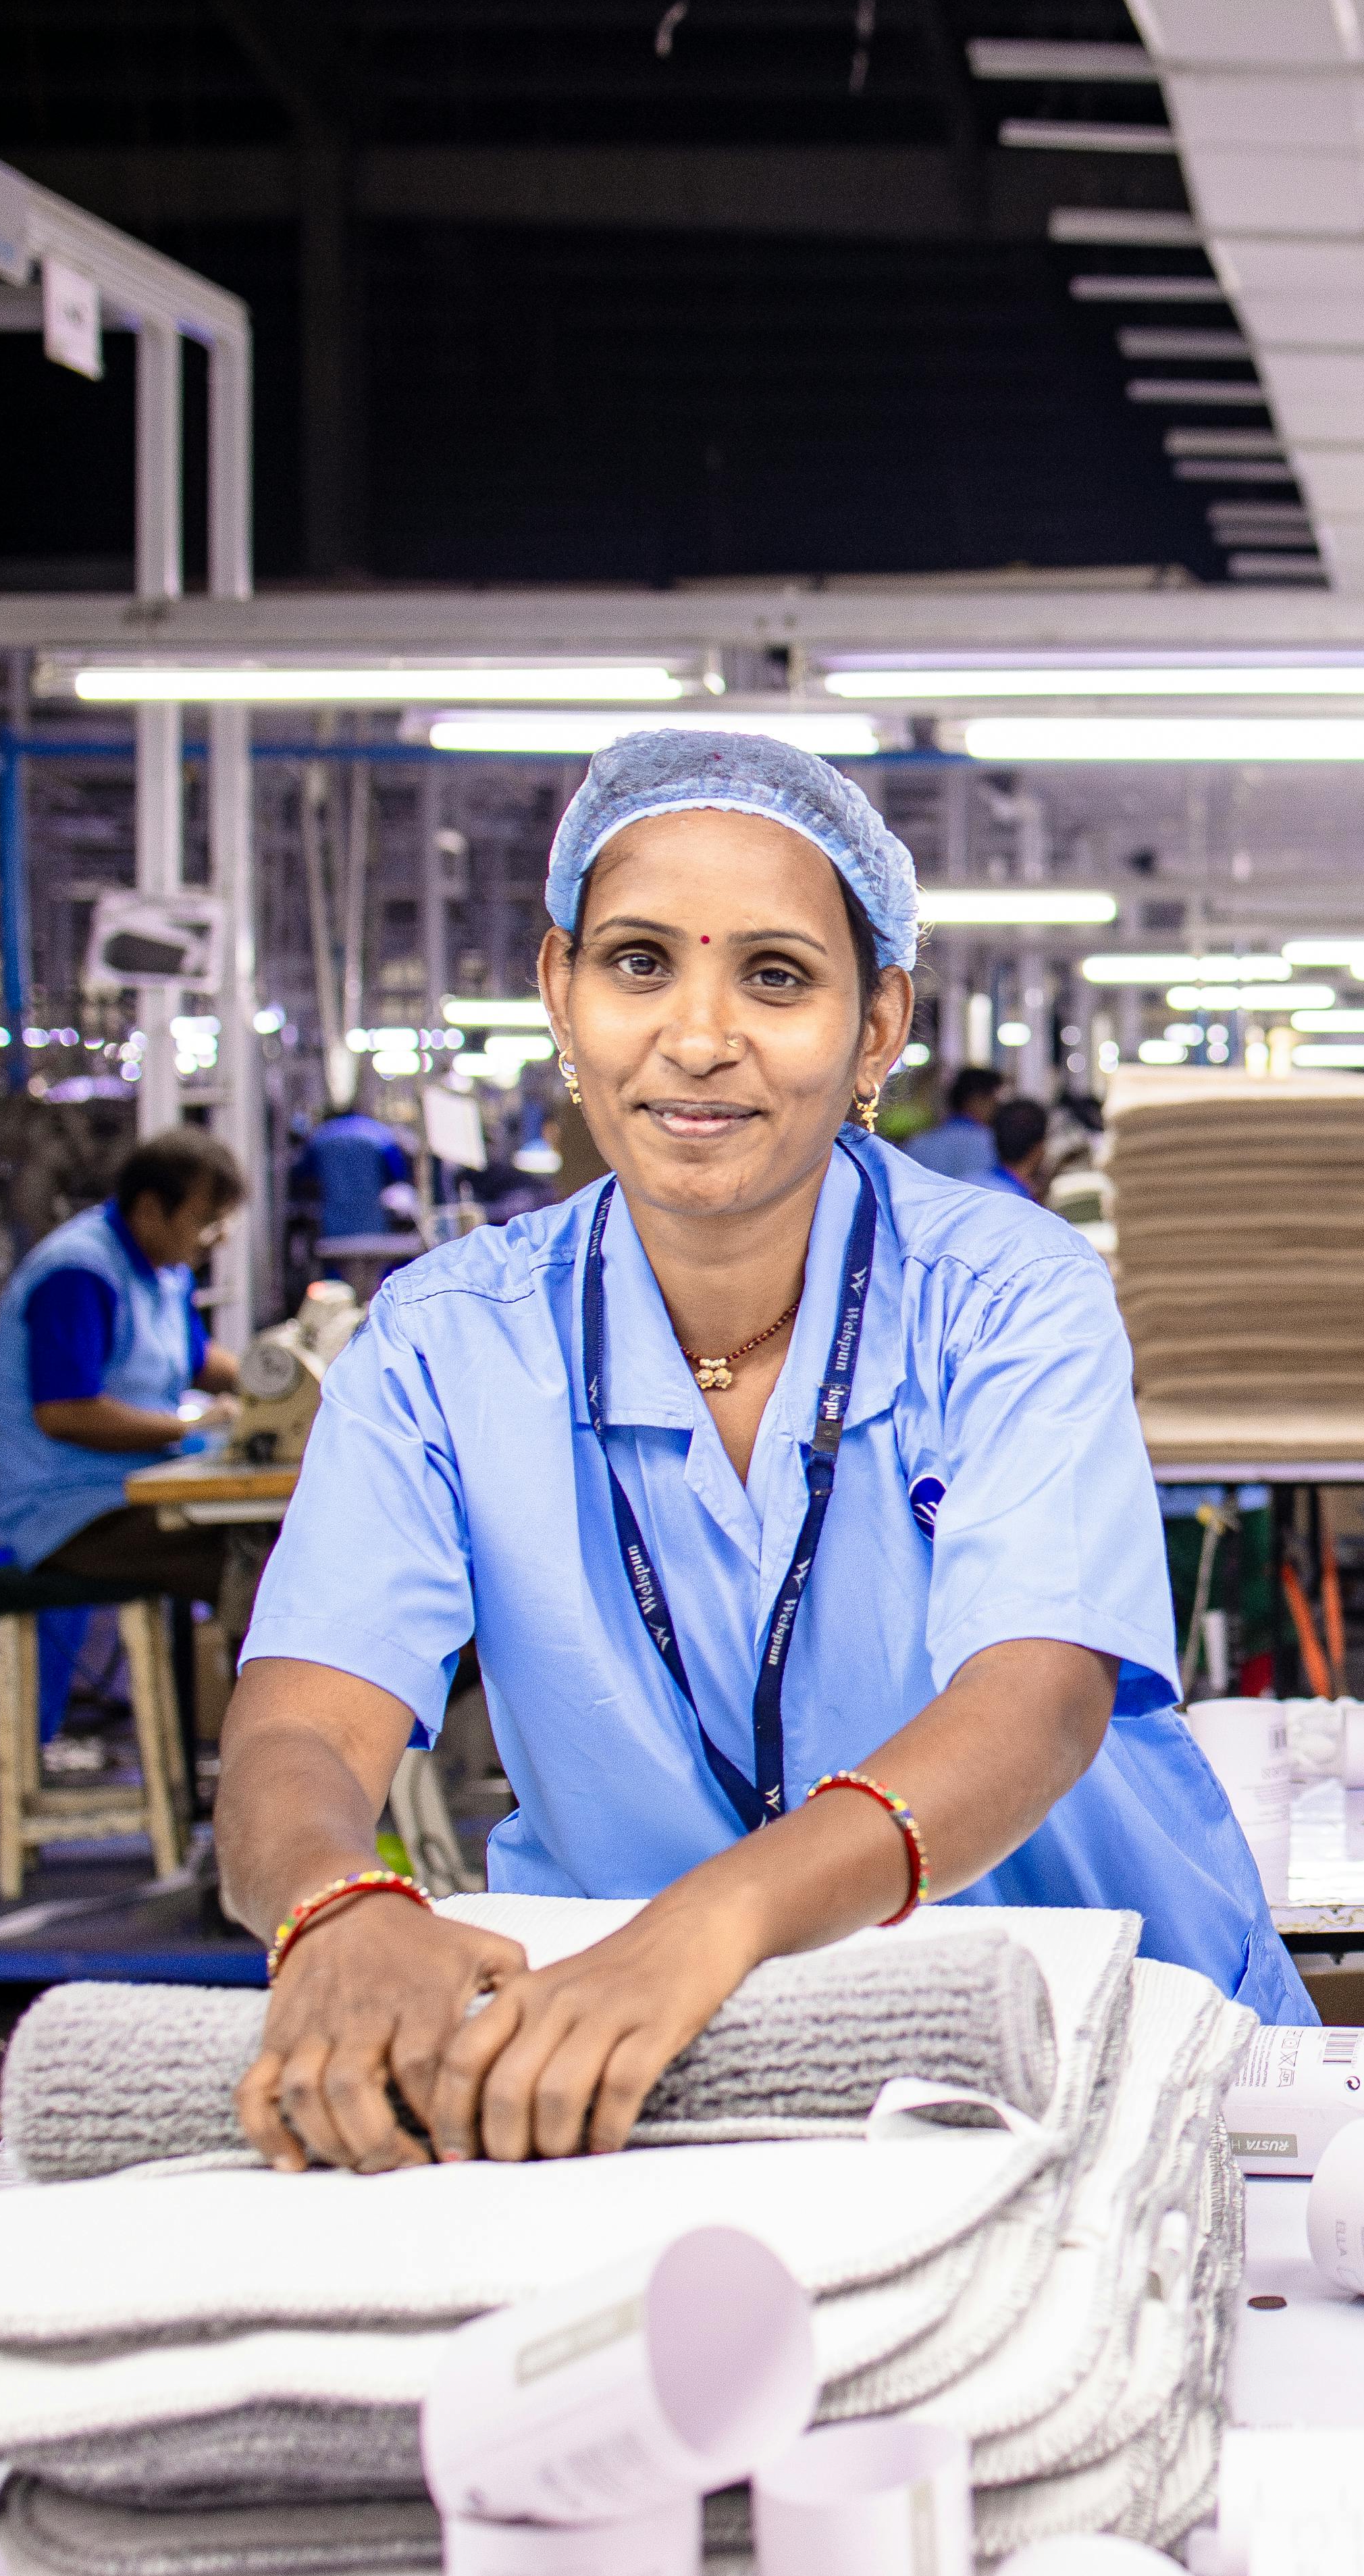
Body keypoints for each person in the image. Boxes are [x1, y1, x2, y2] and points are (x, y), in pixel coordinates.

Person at [221, 729, 1305, 2174]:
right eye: (639, 962)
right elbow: (303, 1720)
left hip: (1096, 2036)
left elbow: (1036, 1699)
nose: (699, 1033)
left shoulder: (1003, 1294)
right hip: (667, 2072)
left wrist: (708, 1919)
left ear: (877, 1028)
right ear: (562, 990)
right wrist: (336, 1906)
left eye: (777, 975)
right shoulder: (442, 1346)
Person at [0, 1127, 251, 1607]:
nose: (219, 1238)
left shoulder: (165, 1268)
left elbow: (198, 1360)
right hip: (71, 1513)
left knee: (271, 1530)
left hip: (135, 1486)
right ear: (150, 1210)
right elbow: (65, 1413)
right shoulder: (78, 1274)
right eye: (206, 1221)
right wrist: (187, 1426)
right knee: (255, 1562)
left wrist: (276, 1380)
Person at [294, 1108, 412, 1240]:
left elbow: (302, 1174)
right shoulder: (380, 1135)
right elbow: (398, 1174)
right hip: (373, 1227)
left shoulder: (320, 1137)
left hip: (333, 1230)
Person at [901, 1068, 1007, 1189]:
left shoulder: (918, 1143)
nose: (997, 1106)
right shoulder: (990, 1142)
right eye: (993, 1099)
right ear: (976, 1100)